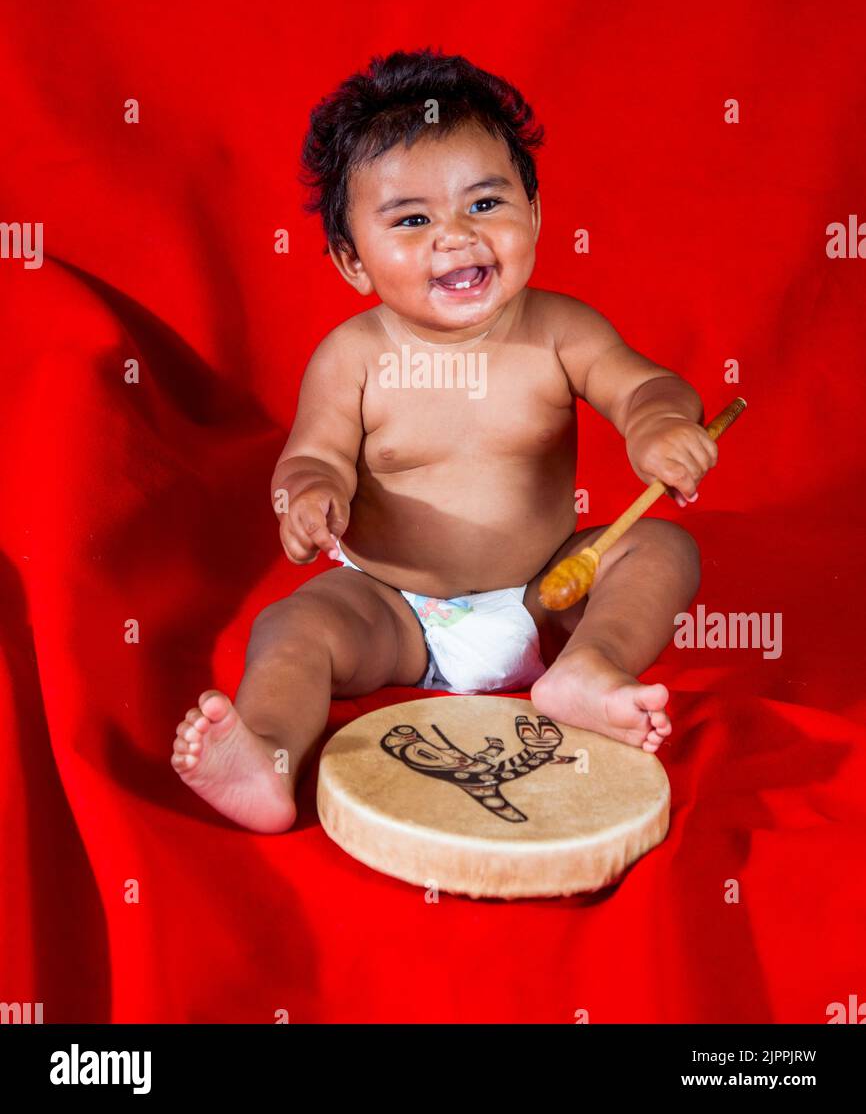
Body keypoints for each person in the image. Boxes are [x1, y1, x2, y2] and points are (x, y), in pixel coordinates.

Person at [171, 48, 713, 832]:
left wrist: (660, 422)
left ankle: (591, 668)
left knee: (664, 552)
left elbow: (644, 384)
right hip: (394, 610)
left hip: (541, 597)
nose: (456, 238)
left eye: (486, 205)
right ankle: (268, 754)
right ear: (353, 260)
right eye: (414, 220)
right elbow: (312, 456)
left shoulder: (561, 331)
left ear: (534, 213)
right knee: (291, 626)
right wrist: (312, 496)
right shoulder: (353, 358)